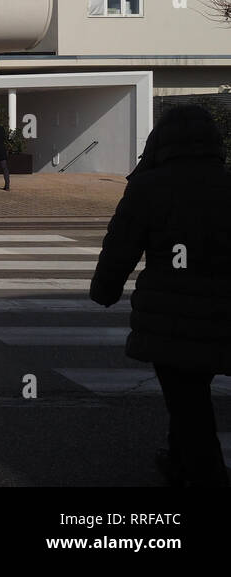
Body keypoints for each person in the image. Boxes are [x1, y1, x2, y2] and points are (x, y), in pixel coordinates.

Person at [89, 105, 231, 487]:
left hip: (170, 316)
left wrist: (105, 289)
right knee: (191, 398)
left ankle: (205, 475)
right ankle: (182, 462)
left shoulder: (150, 186)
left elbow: (120, 245)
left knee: (188, 400)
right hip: (222, 313)